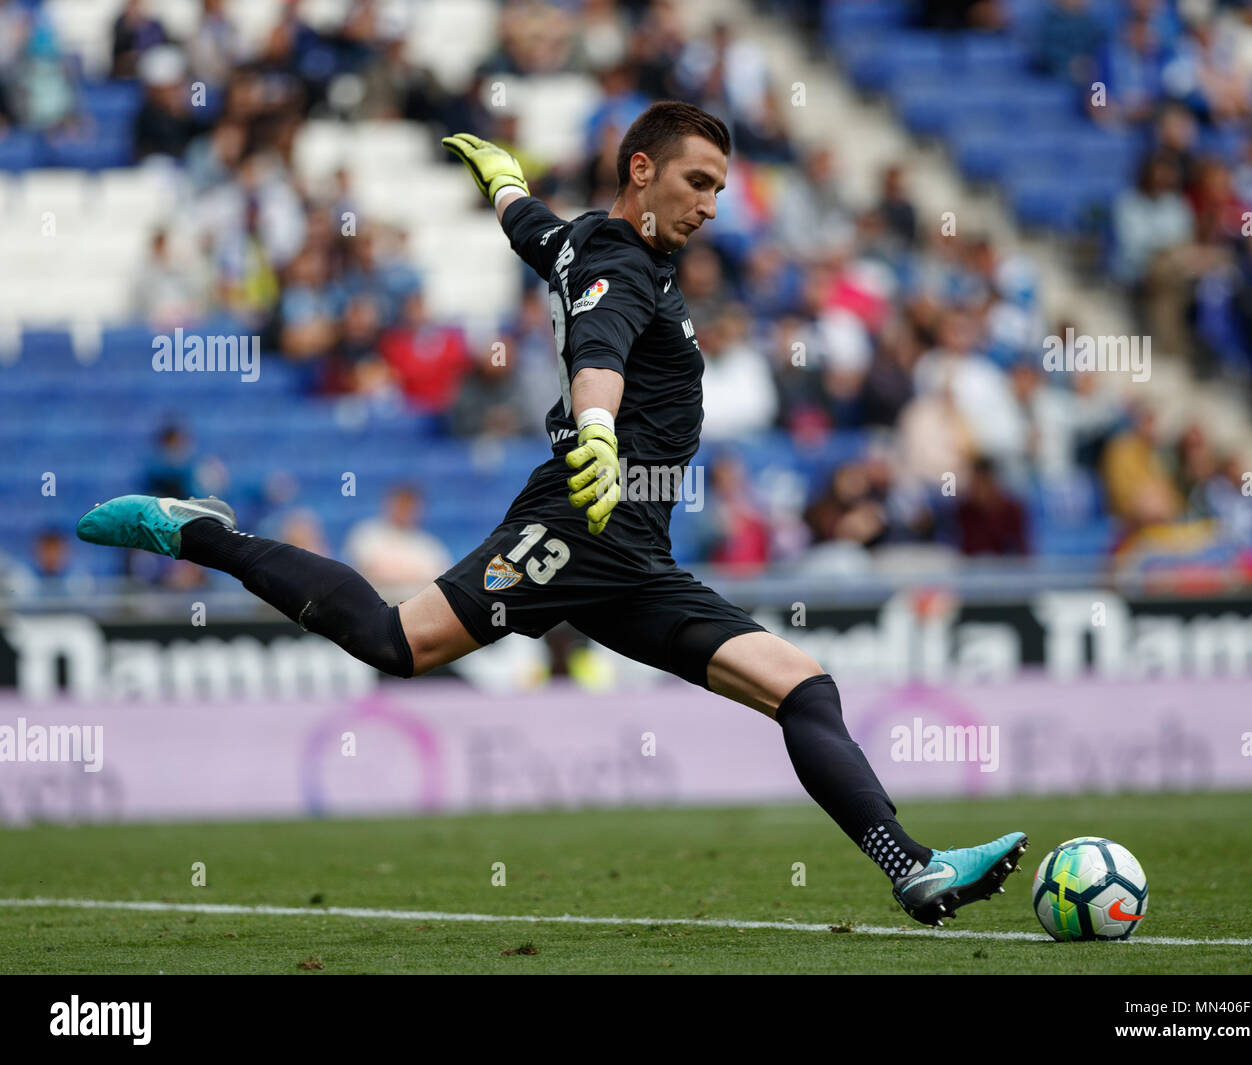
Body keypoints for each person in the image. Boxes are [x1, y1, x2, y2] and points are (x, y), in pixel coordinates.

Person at [76, 102, 1026, 927]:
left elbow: (536, 232)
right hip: (582, 524)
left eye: (720, 189)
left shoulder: (587, 238)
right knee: (397, 644)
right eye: (696, 181)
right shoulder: (617, 256)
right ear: (641, 171)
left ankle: (913, 868)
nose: (709, 203)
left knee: (802, 684)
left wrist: (503, 183)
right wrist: (601, 432)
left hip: (637, 549)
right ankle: (194, 529)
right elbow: (598, 346)